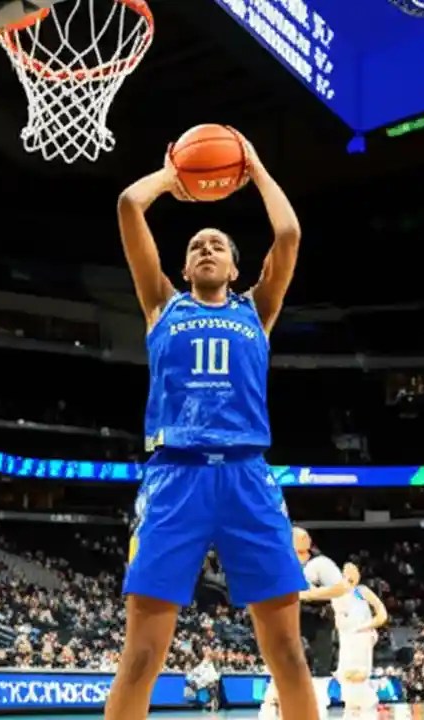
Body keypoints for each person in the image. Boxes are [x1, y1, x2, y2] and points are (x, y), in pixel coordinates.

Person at [106, 135, 313, 720]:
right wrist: (173, 176)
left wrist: (256, 166)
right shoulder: (160, 305)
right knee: (141, 657)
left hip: (248, 477)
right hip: (175, 478)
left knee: (289, 654)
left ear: (235, 266)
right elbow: (128, 204)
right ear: (183, 265)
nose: (206, 248)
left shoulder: (258, 310)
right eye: (197, 244)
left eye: (217, 244)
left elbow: (290, 235)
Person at [260, 527, 347, 720]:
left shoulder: (320, 564)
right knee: (279, 678)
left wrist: (307, 594)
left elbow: (341, 588)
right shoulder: (281, 563)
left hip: (316, 622)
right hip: (287, 622)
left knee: (318, 679)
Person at [335, 562, 388, 713]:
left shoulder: (362, 591)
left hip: (361, 636)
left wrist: (367, 626)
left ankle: (367, 703)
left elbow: (382, 614)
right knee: (347, 675)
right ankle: (353, 706)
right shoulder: (338, 594)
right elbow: (338, 619)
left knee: (359, 673)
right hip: (347, 636)